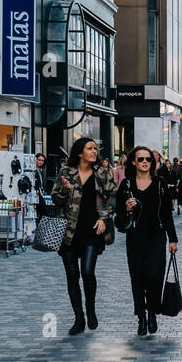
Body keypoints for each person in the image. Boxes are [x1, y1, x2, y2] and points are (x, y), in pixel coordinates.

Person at [51, 137, 116, 336]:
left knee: (87, 272)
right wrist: (64, 189)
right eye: (90, 148)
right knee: (72, 276)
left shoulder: (102, 173)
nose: (94, 151)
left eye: (95, 148)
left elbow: (112, 196)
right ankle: (78, 318)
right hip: (68, 232)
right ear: (80, 152)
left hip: (92, 230)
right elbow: (55, 199)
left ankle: (91, 309)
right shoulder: (66, 173)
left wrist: (105, 218)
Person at [116, 147, 178, 337]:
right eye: (140, 159)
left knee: (154, 276)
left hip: (157, 236)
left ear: (153, 162)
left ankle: (152, 311)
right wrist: (126, 209)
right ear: (133, 162)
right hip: (135, 237)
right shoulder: (126, 185)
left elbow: (167, 214)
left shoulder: (160, 184)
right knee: (138, 278)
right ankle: (141, 316)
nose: (145, 162)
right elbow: (118, 220)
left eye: (148, 159)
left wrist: (173, 239)